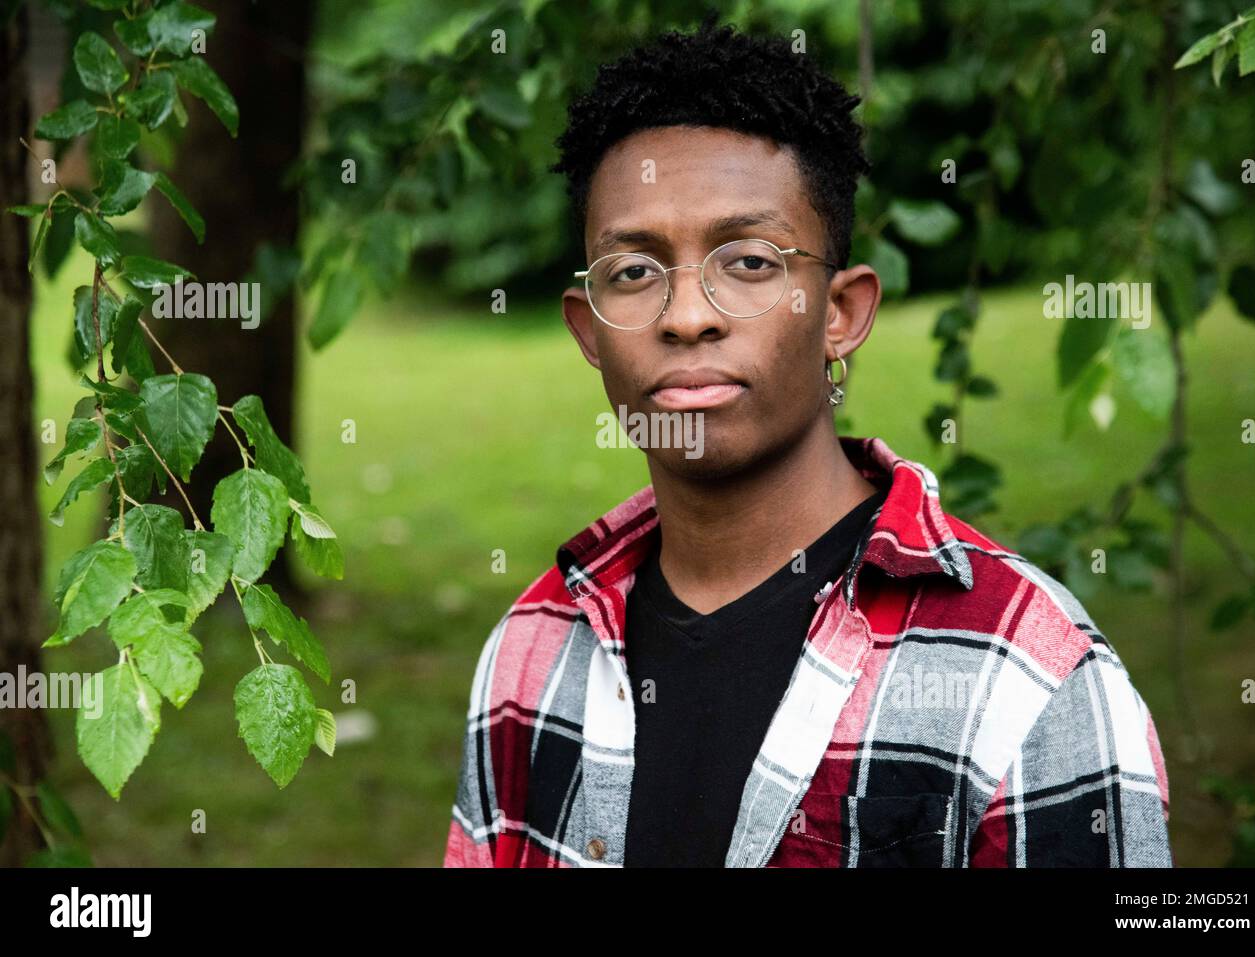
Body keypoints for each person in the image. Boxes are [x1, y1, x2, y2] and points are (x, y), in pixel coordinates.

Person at [442, 14, 1172, 868]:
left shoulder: (1029, 674)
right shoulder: (529, 655)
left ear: (841, 312)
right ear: (590, 329)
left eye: (749, 261)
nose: (685, 316)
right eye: (634, 272)